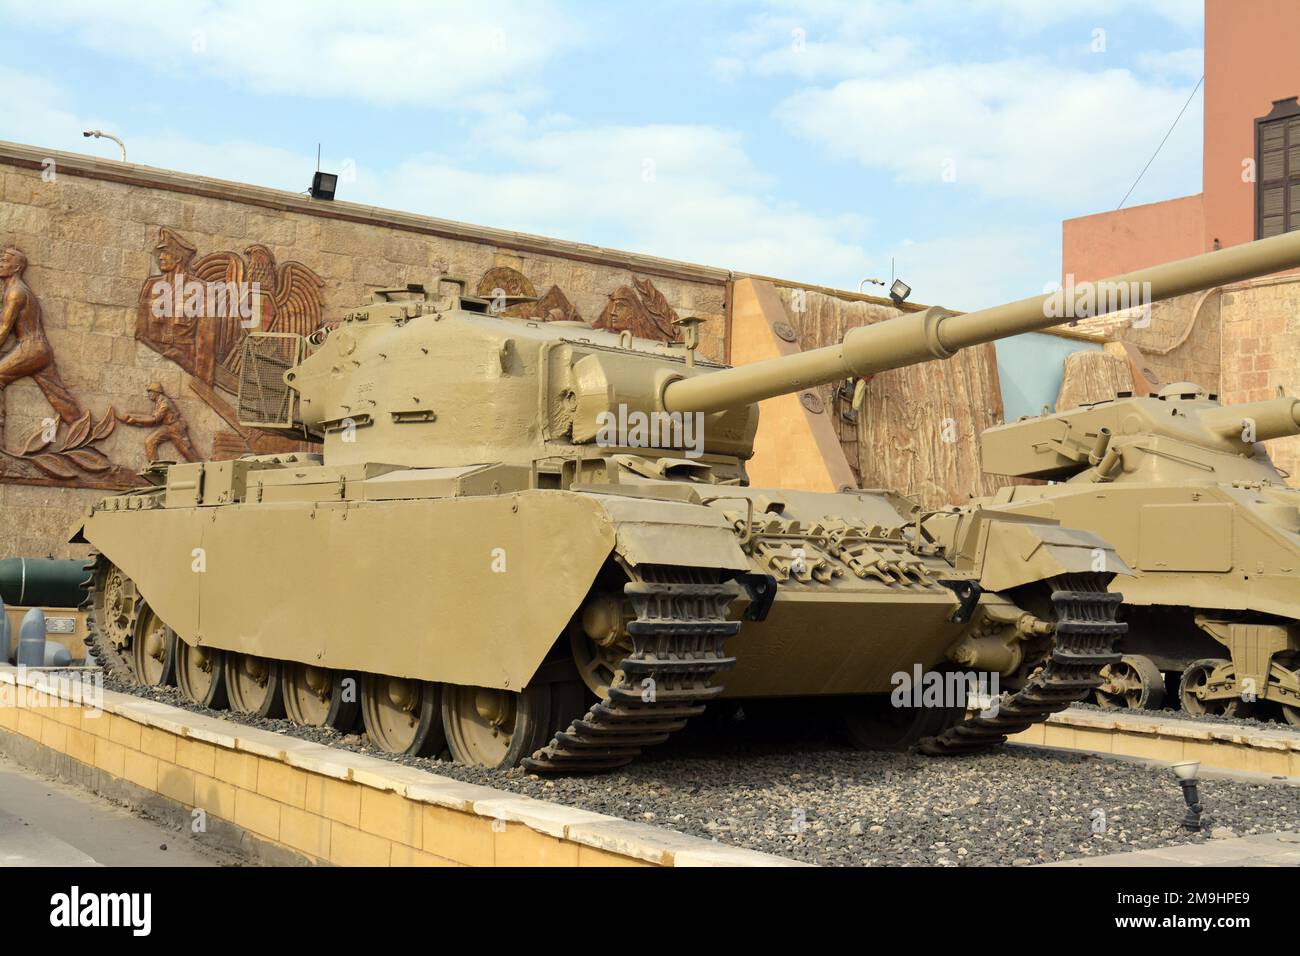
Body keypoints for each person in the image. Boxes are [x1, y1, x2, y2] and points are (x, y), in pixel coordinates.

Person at [0, 245, 83, 438]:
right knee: (58, 396)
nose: (0, 264)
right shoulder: (14, 290)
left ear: (16, 268)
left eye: (5, 261)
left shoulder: (16, 293)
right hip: (37, 349)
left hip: (30, 347)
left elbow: (4, 329)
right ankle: (82, 429)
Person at [117, 382, 199, 462]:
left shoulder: (164, 403)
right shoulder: (158, 402)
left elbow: (154, 419)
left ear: (157, 392)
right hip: (168, 427)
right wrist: (134, 417)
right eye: (148, 392)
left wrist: (136, 420)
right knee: (149, 441)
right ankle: (154, 466)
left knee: (186, 451)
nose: (149, 395)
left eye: (150, 392)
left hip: (176, 428)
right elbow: (151, 417)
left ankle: (200, 466)